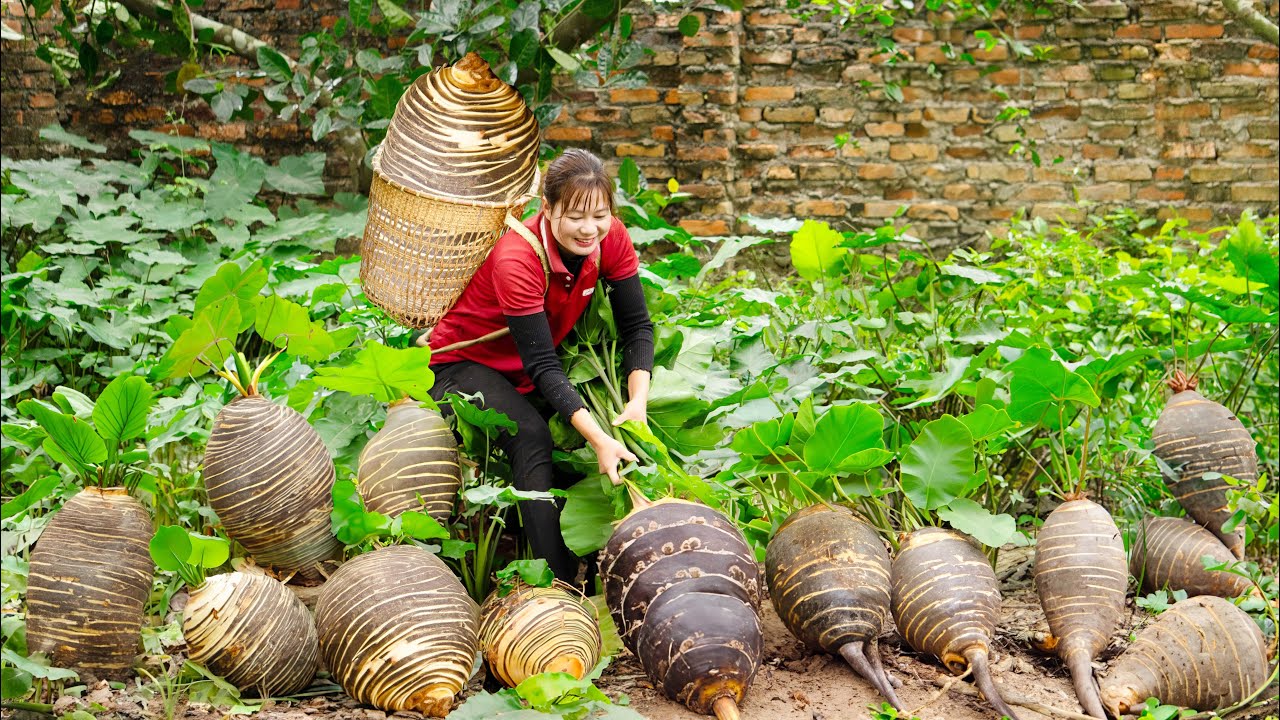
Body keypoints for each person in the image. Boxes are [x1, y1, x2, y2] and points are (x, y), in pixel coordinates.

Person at [425, 149, 654, 583]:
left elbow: (637, 327)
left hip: (525, 369)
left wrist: (636, 404)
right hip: (459, 364)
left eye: (600, 215)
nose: (590, 229)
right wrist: (600, 439)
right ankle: (561, 585)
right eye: (575, 216)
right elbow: (544, 365)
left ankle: (596, 566)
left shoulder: (612, 239)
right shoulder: (517, 258)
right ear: (547, 210)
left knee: (579, 433)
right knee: (530, 434)